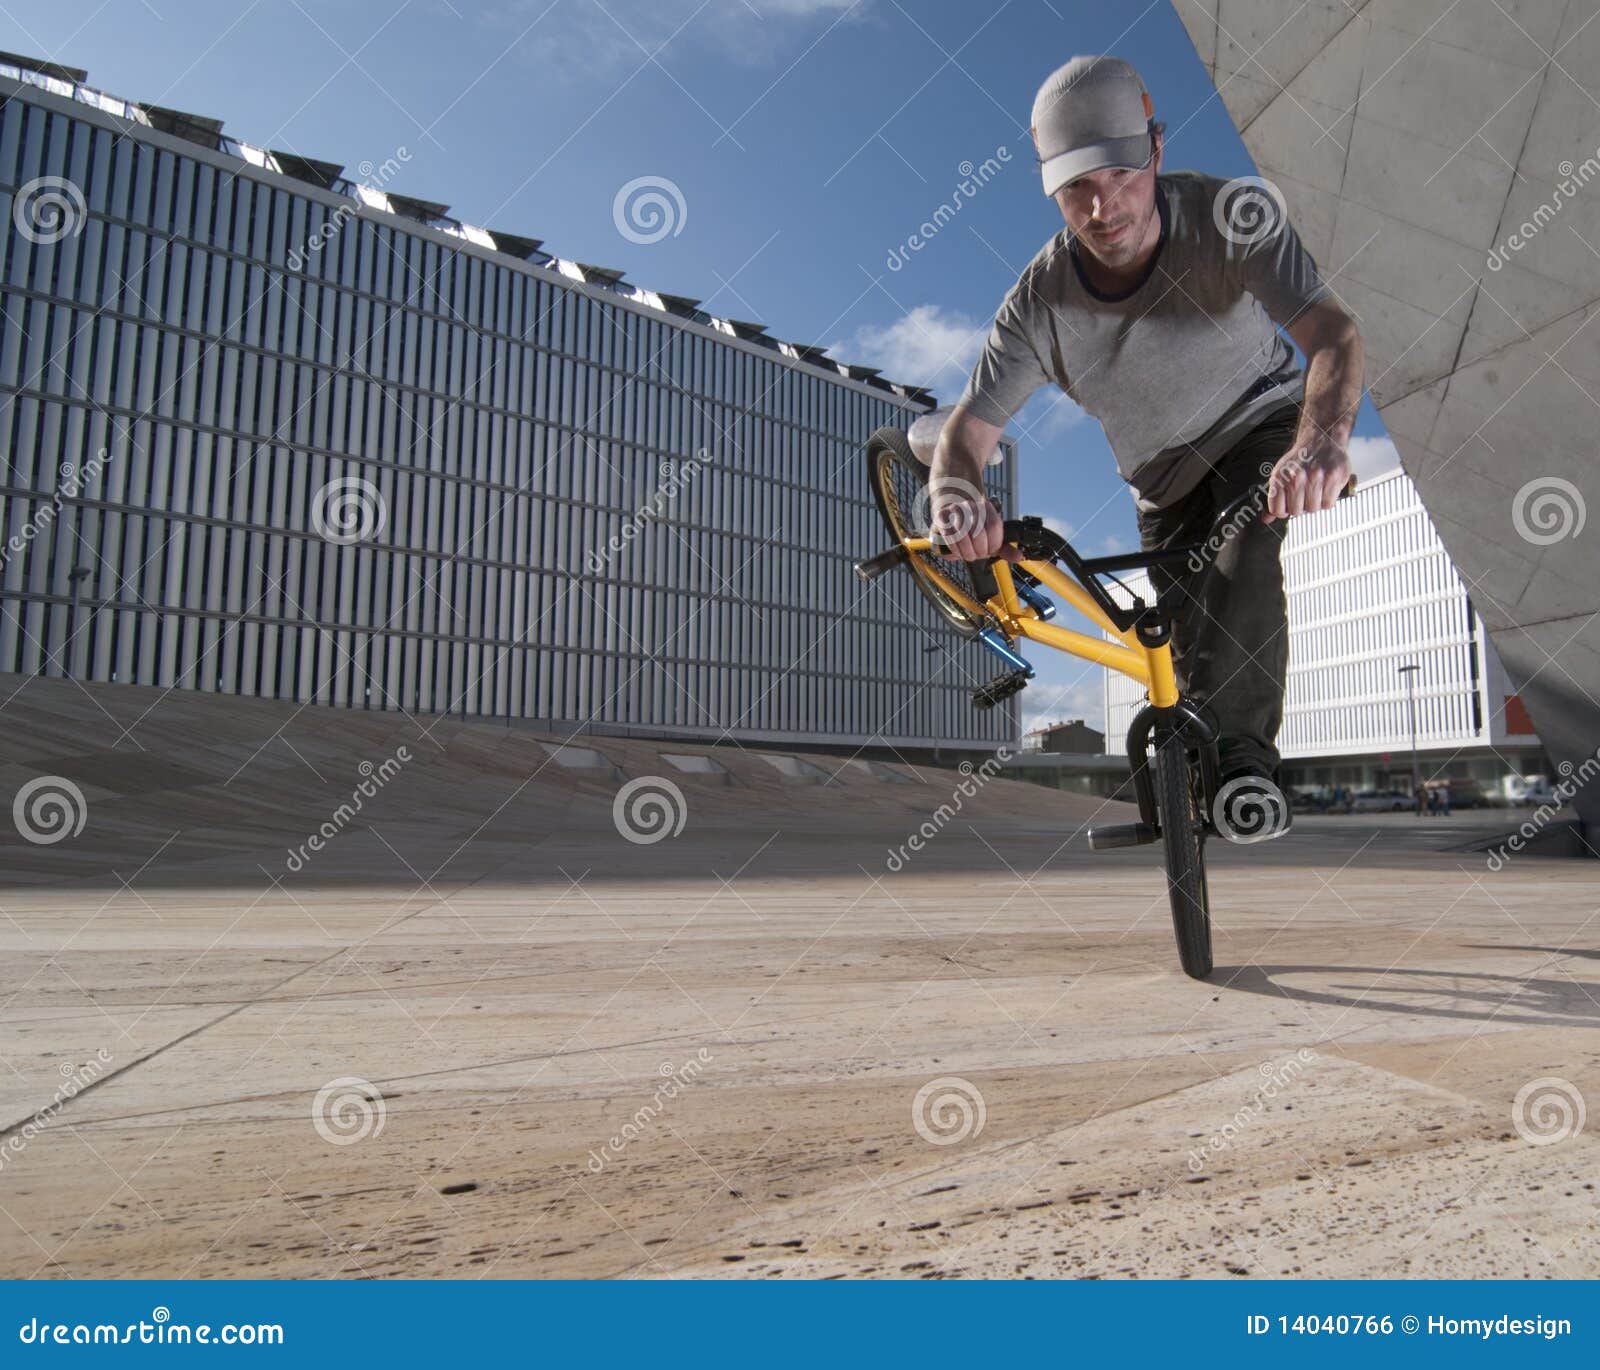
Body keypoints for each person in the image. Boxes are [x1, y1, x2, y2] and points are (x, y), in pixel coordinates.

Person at [930, 55, 1364, 835]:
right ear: (1051, 188)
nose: (1103, 209)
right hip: (1162, 490)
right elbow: (970, 429)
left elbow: (1331, 333)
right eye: (1077, 188)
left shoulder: (1228, 217)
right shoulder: (1037, 305)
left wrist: (1321, 443)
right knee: (1188, 659)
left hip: (1259, 425)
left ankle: (1244, 770)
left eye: (1122, 175)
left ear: (1156, 148)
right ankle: (1196, 777)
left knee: (1242, 552)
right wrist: (955, 493)